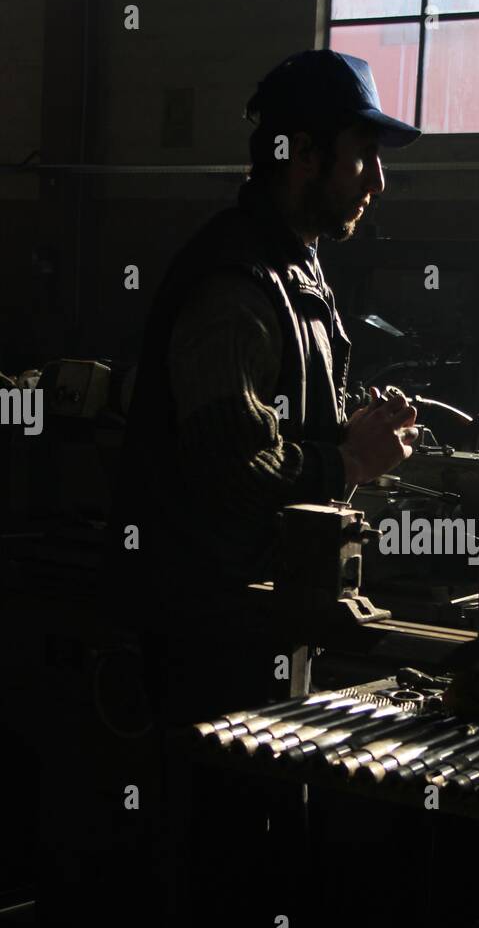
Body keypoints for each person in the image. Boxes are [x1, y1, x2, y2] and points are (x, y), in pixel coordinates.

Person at [104, 49, 421, 725]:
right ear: (302, 152)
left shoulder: (295, 269)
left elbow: (291, 427)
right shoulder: (236, 283)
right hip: (210, 638)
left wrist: (354, 434)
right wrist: (350, 461)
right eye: (363, 155)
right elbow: (231, 469)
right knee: (221, 821)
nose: (379, 182)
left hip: (264, 622)